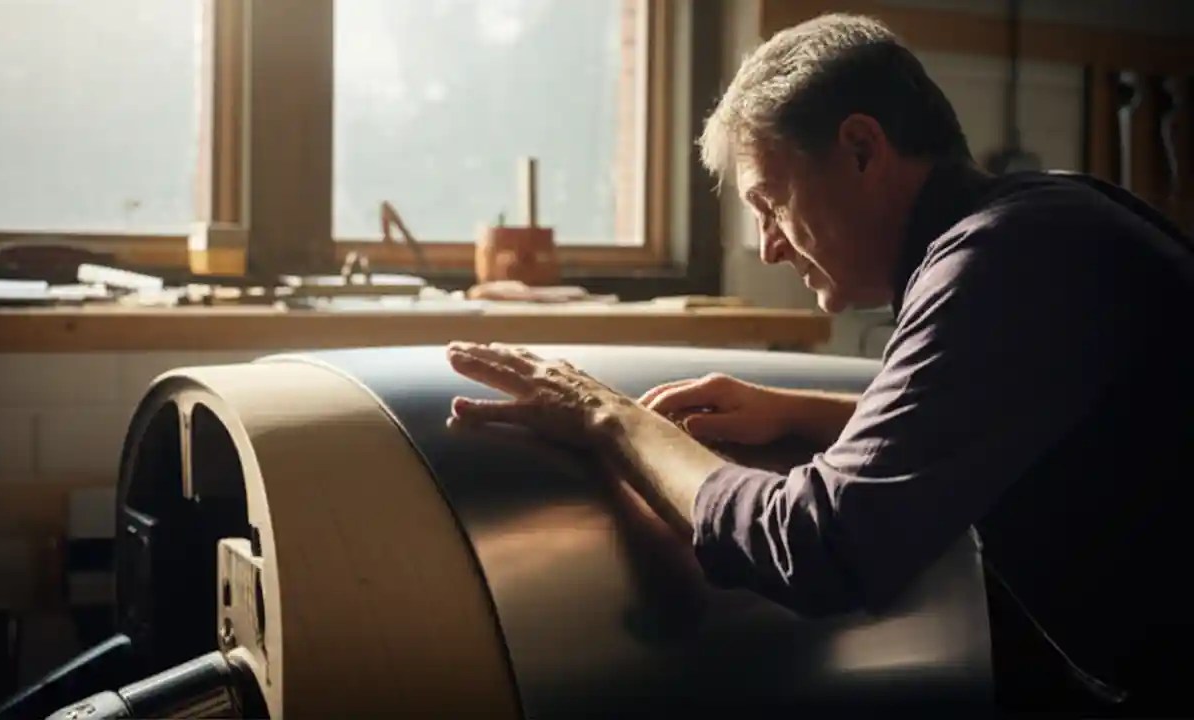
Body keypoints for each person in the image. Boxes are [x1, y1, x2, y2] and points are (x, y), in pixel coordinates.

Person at [444, 12, 1194, 718]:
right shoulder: (1054, 211)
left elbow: (819, 547)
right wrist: (799, 411)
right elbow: (1016, 416)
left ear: (862, 149)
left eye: (770, 203)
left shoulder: (998, 261)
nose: (769, 246)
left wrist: (610, 418)